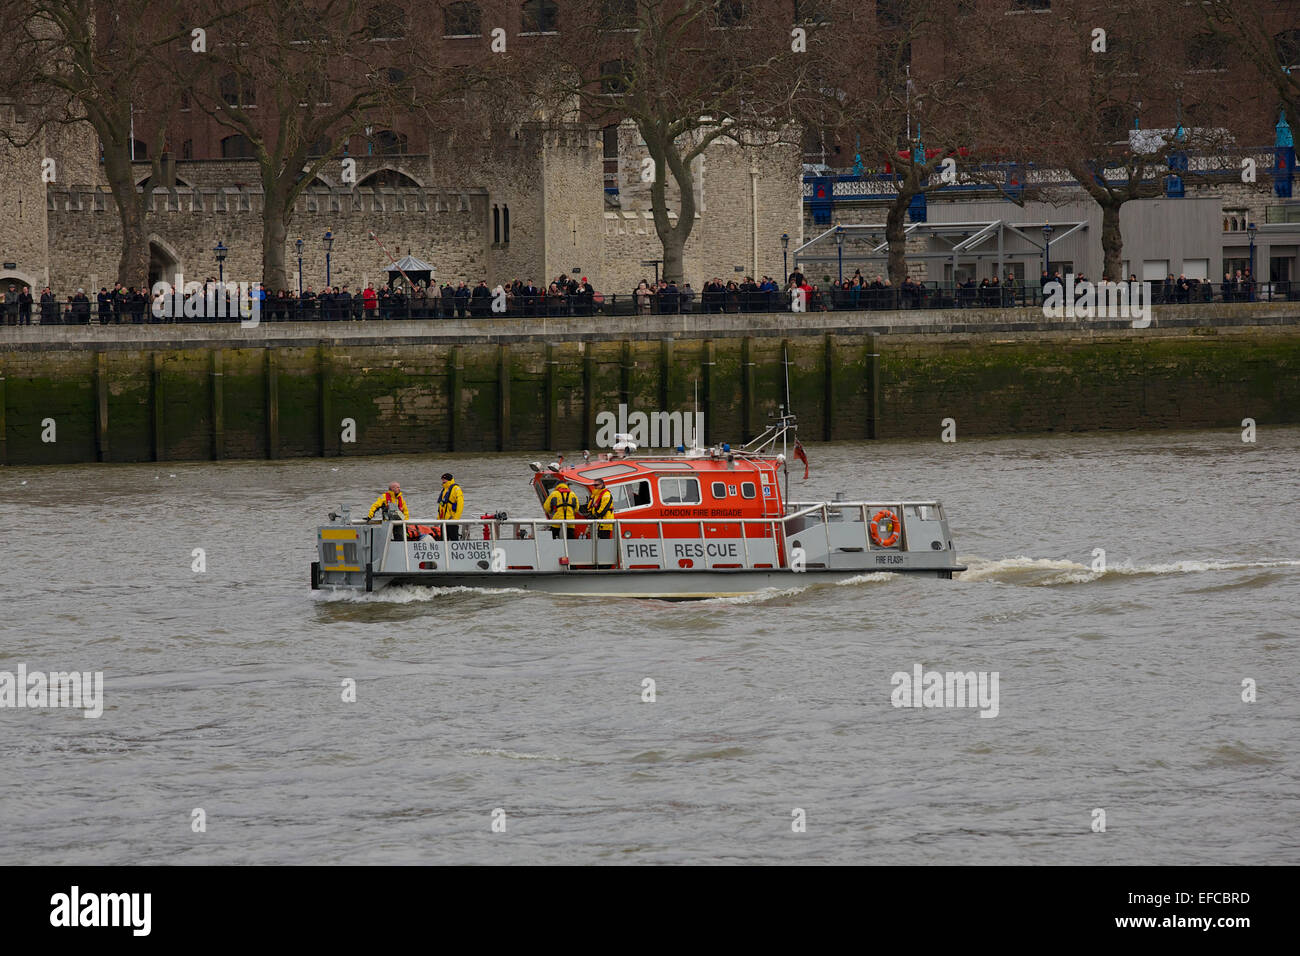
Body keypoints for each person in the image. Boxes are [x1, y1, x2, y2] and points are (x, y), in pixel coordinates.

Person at [437, 472, 464, 541]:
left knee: (454, 541)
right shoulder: (444, 490)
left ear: (449, 480)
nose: (443, 481)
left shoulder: (456, 489)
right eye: (442, 480)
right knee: (443, 541)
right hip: (443, 521)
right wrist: (438, 519)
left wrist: (456, 518)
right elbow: (441, 506)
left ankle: (456, 552)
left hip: (452, 520)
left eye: (444, 479)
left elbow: (460, 504)